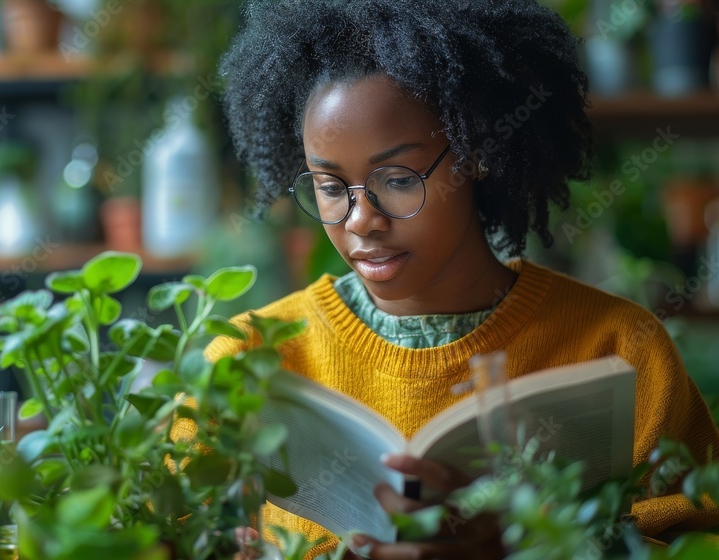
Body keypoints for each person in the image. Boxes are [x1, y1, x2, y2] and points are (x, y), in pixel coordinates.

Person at [208, 0, 719, 558]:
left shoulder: (620, 348)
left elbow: (695, 537)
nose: (360, 220)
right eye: (330, 187)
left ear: (477, 152)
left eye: (398, 178)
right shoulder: (248, 359)